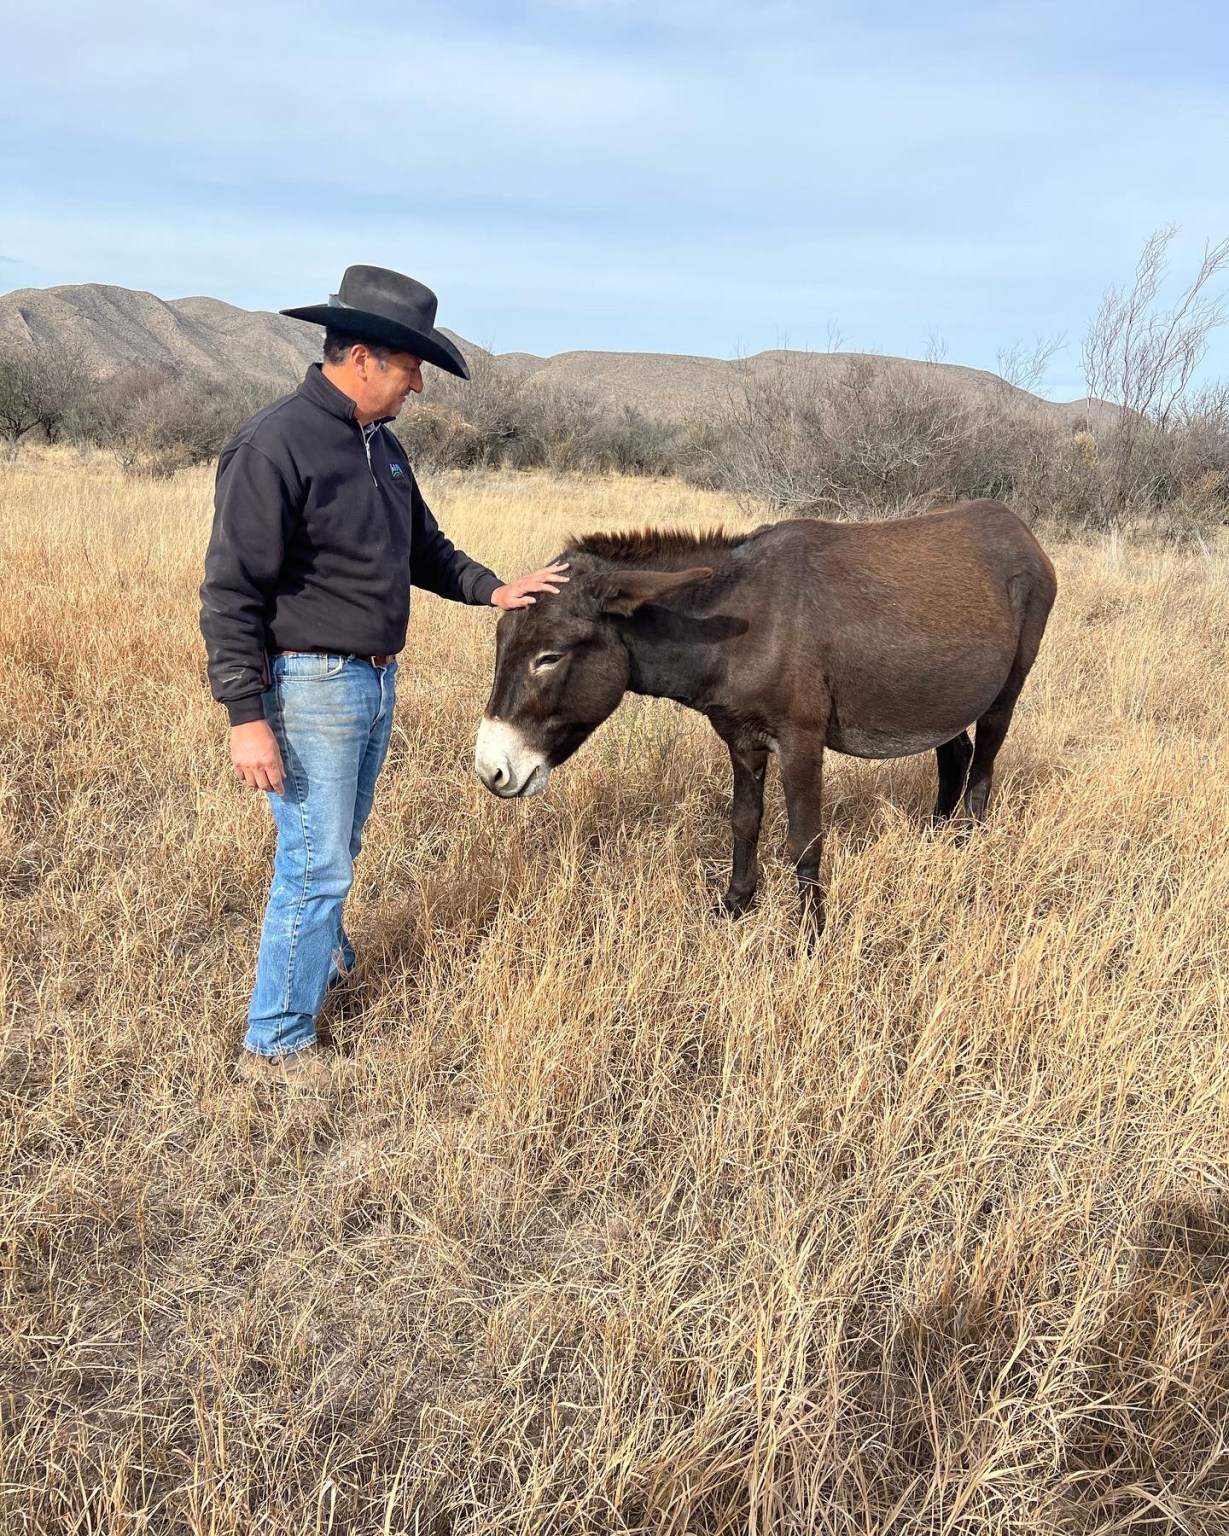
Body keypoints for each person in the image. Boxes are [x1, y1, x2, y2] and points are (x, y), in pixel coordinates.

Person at [200, 265, 567, 1089]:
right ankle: (276, 1044)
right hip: (309, 685)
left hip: (370, 685)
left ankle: (319, 966)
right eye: (410, 367)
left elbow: (424, 550)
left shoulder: (383, 448)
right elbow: (230, 592)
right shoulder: (275, 444)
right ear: (361, 357)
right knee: (314, 865)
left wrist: (494, 589)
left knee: (336, 848)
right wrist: (245, 716)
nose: (419, 385)